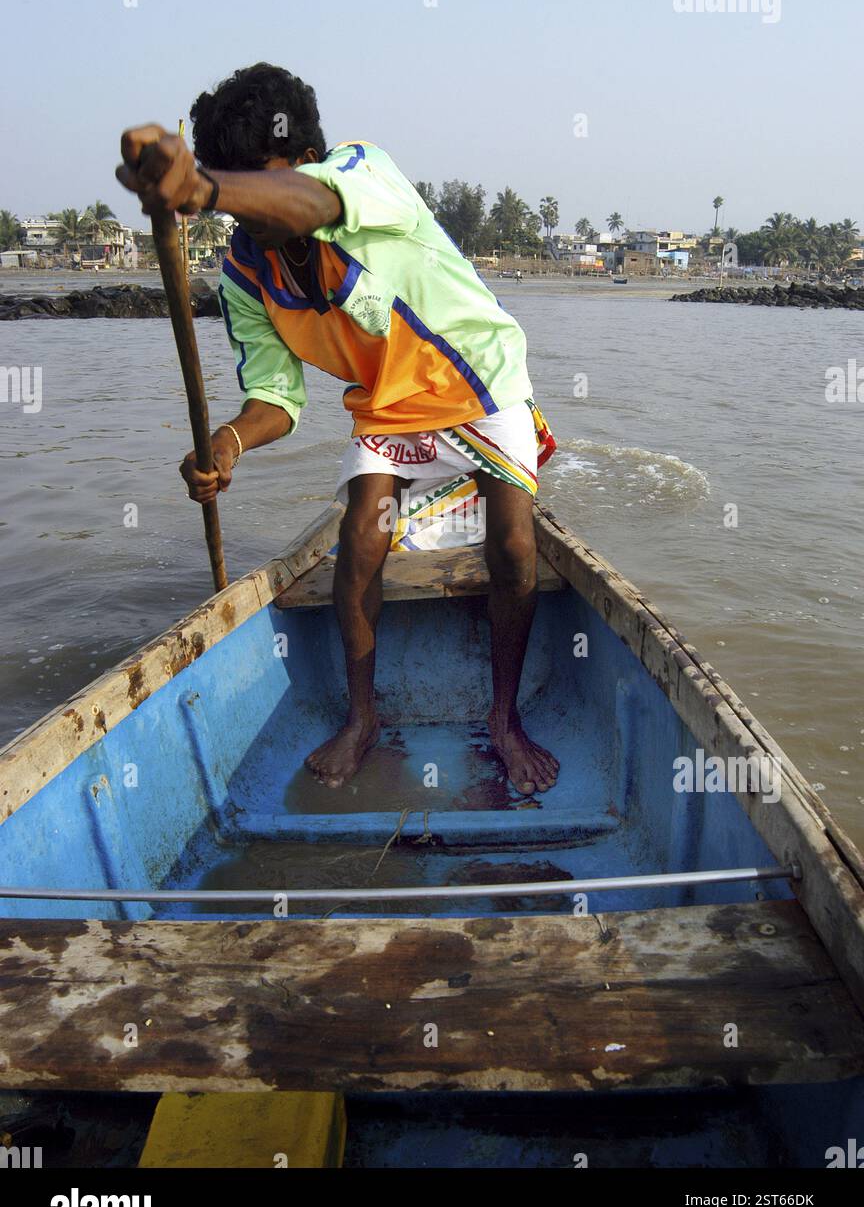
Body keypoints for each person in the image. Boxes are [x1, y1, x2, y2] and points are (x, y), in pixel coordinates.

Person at [117, 62, 559, 795]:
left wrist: (201, 187)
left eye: (250, 187)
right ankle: (362, 719)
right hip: (387, 404)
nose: (245, 216)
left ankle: (505, 719)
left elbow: (310, 202)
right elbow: (274, 398)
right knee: (359, 544)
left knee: (513, 546)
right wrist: (226, 444)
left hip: (478, 379)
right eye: (229, 195)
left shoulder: (362, 173)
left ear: (297, 162)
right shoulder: (243, 274)